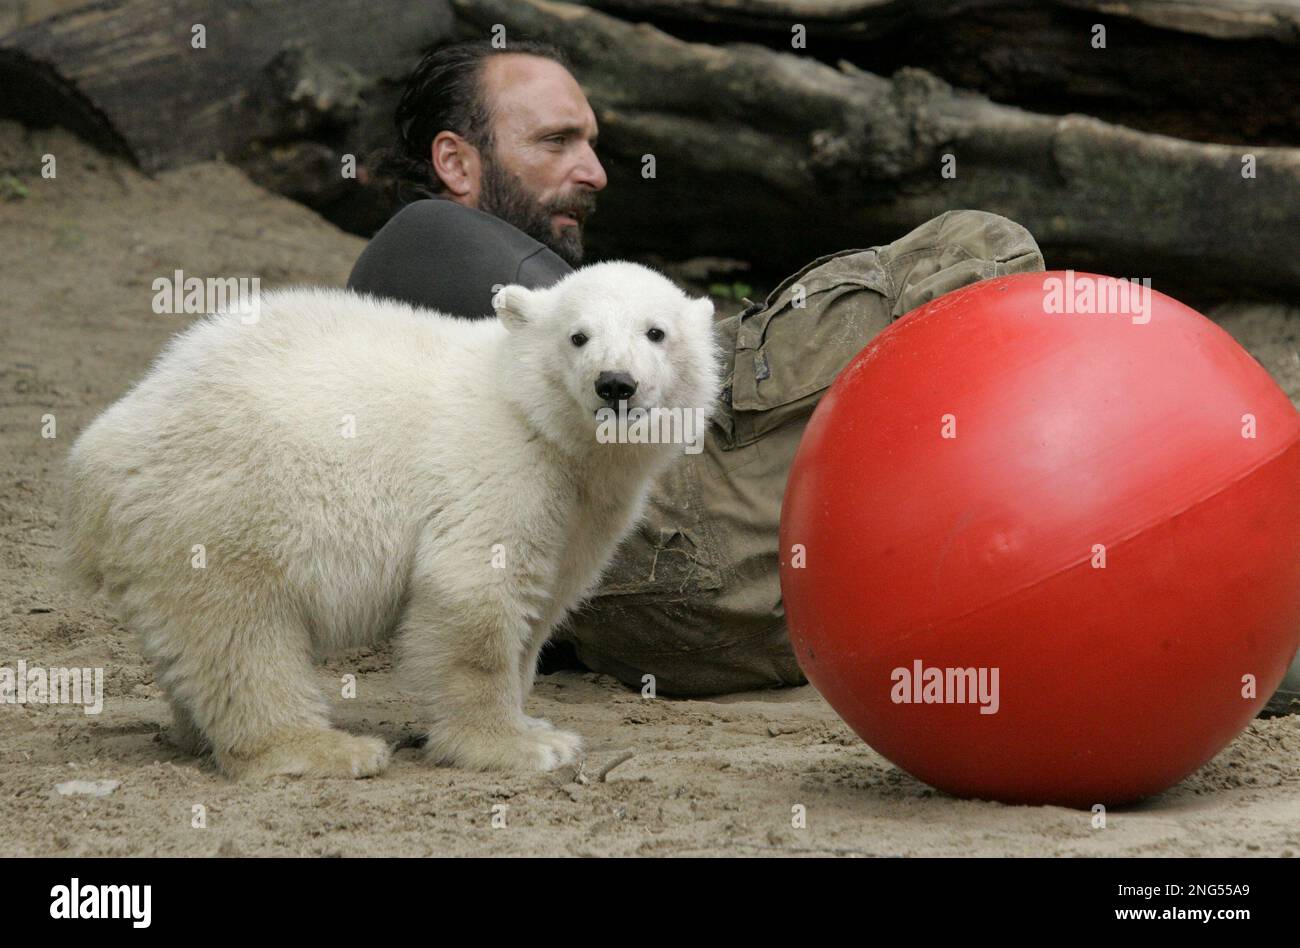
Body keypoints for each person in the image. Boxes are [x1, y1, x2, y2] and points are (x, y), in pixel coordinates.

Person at [346, 41, 1043, 697]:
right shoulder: (425, 237)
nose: (595, 172)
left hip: (712, 624)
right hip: (685, 526)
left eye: (591, 143)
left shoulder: (428, 330)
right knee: (979, 246)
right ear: (456, 163)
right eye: (557, 141)